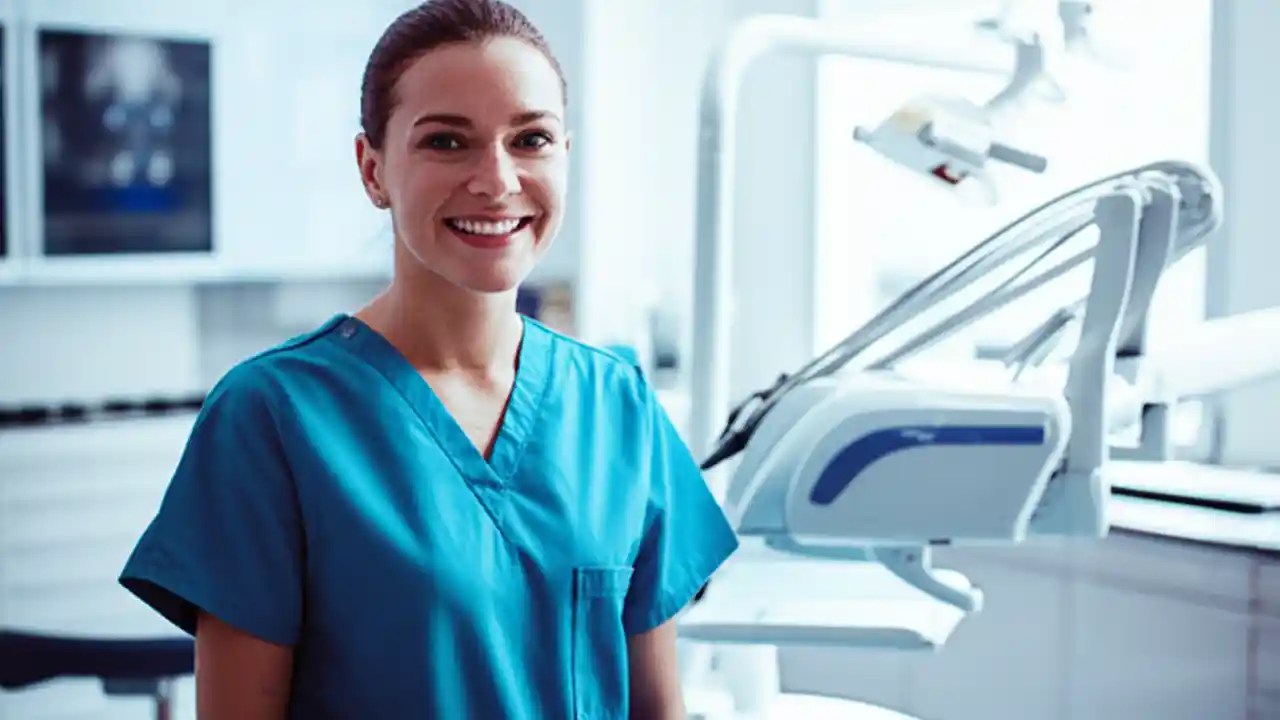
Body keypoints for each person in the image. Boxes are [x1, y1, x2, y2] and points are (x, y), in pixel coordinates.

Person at [117, 1, 739, 717]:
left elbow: (657, 709)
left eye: (530, 139)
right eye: (447, 142)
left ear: (564, 156)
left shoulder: (617, 405)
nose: (497, 180)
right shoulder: (274, 416)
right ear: (372, 169)